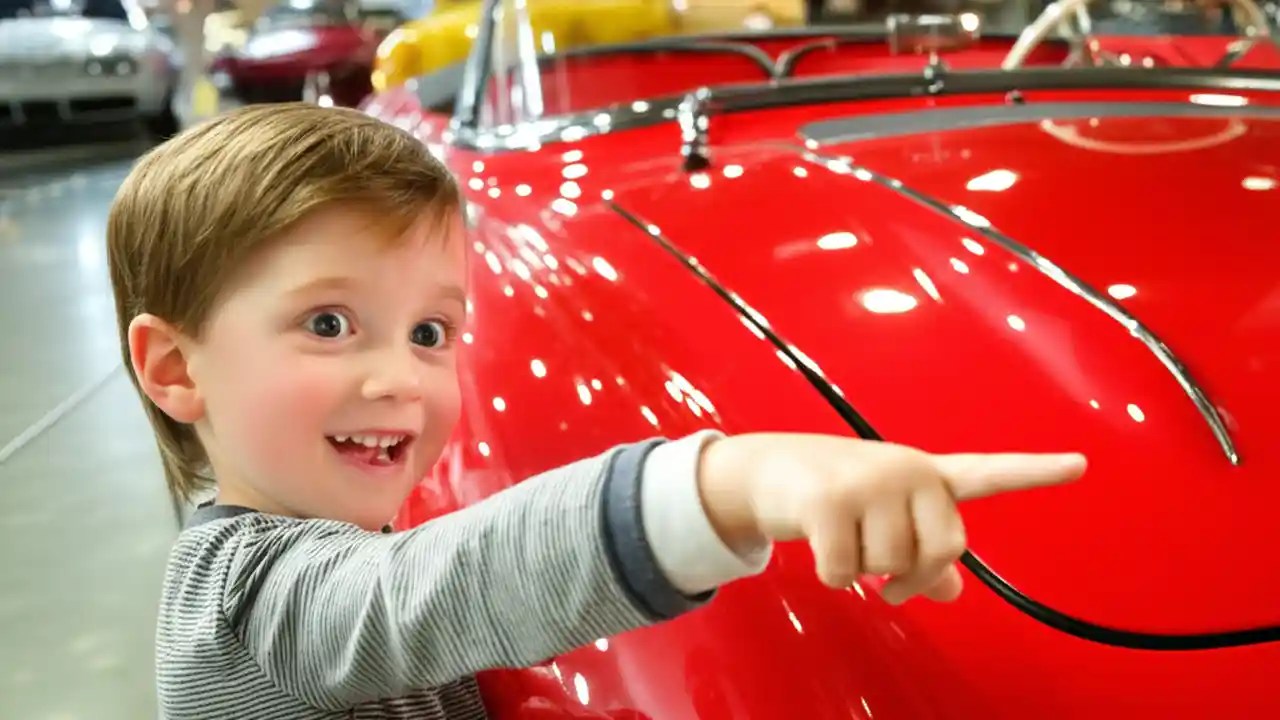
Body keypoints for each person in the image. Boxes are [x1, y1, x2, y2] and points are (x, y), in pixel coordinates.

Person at [107, 103, 1086, 719]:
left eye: (430, 332)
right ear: (173, 367)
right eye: (328, 323)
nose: (400, 378)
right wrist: (729, 483)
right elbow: (430, 592)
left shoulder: (306, 542)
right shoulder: (244, 605)